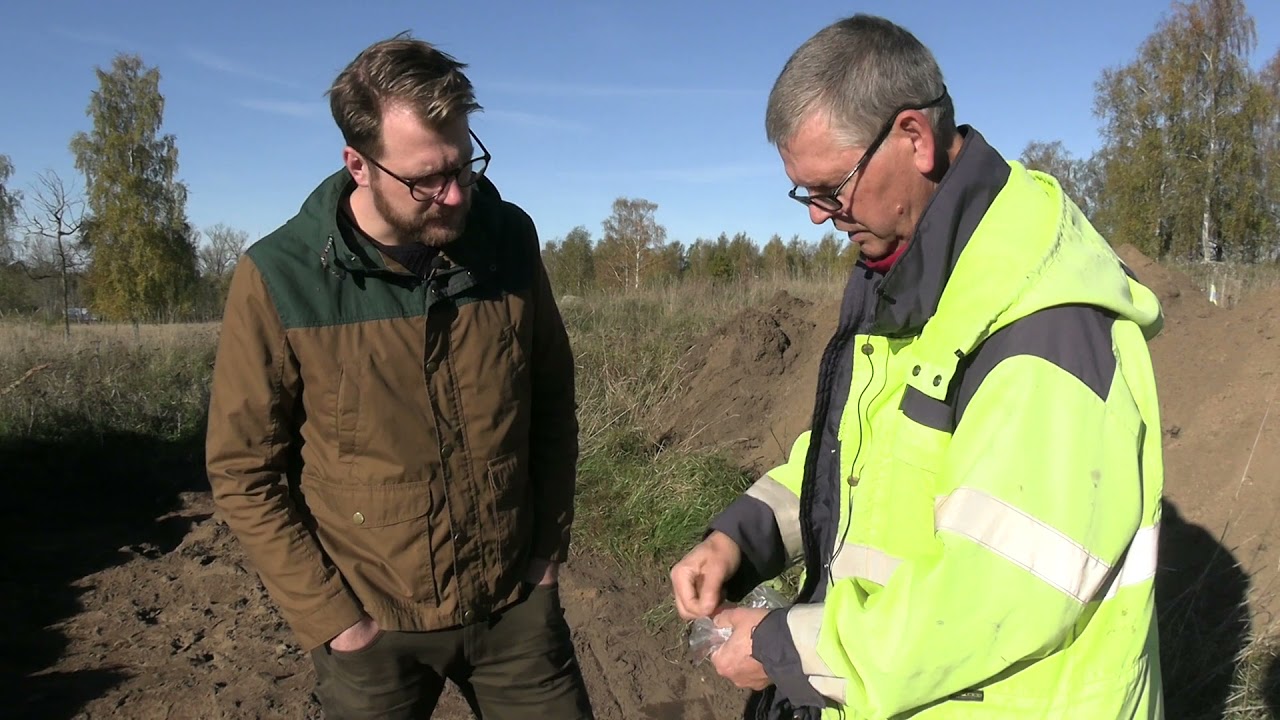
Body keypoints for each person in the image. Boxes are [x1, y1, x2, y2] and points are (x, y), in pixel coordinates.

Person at [670, 14, 1165, 720]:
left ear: (914, 138)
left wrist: (789, 649)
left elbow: (996, 593)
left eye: (829, 188)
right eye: (802, 192)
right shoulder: (919, 280)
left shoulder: (1043, 323)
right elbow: (859, 460)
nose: (816, 216)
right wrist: (737, 538)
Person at [205, 33, 594, 720]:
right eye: (425, 180)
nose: (453, 195)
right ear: (358, 163)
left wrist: (545, 559)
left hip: (516, 611)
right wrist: (334, 620)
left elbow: (552, 404)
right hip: (372, 630)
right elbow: (243, 471)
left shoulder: (507, 240)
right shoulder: (281, 278)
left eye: (463, 166)